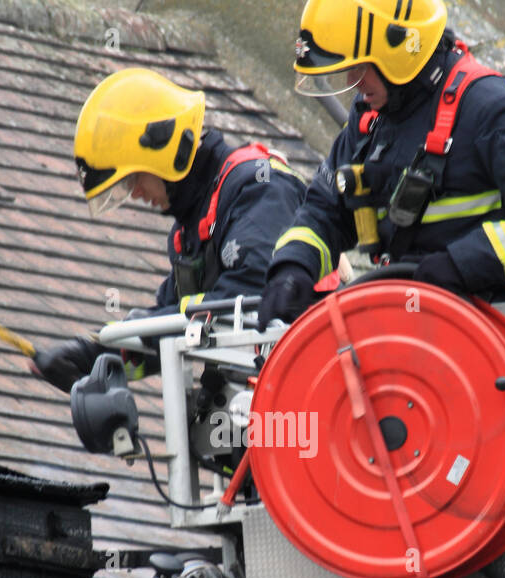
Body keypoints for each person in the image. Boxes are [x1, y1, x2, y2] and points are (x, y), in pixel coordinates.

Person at [259, 0, 505, 391]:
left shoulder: (488, 107)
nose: (353, 83)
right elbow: (324, 208)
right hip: (415, 354)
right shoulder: (370, 117)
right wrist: (291, 269)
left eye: (359, 68)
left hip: (503, 360)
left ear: (399, 48)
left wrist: (462, 265)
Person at [34, 67, 311, 393]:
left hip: (314, 391)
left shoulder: (259, 186)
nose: (135, 194)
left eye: (133, 179)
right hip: (265, 399)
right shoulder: (190, 233)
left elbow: (250, 299)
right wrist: (91, 356)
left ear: (166, 150)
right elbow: (167, 331)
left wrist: (145, 327)